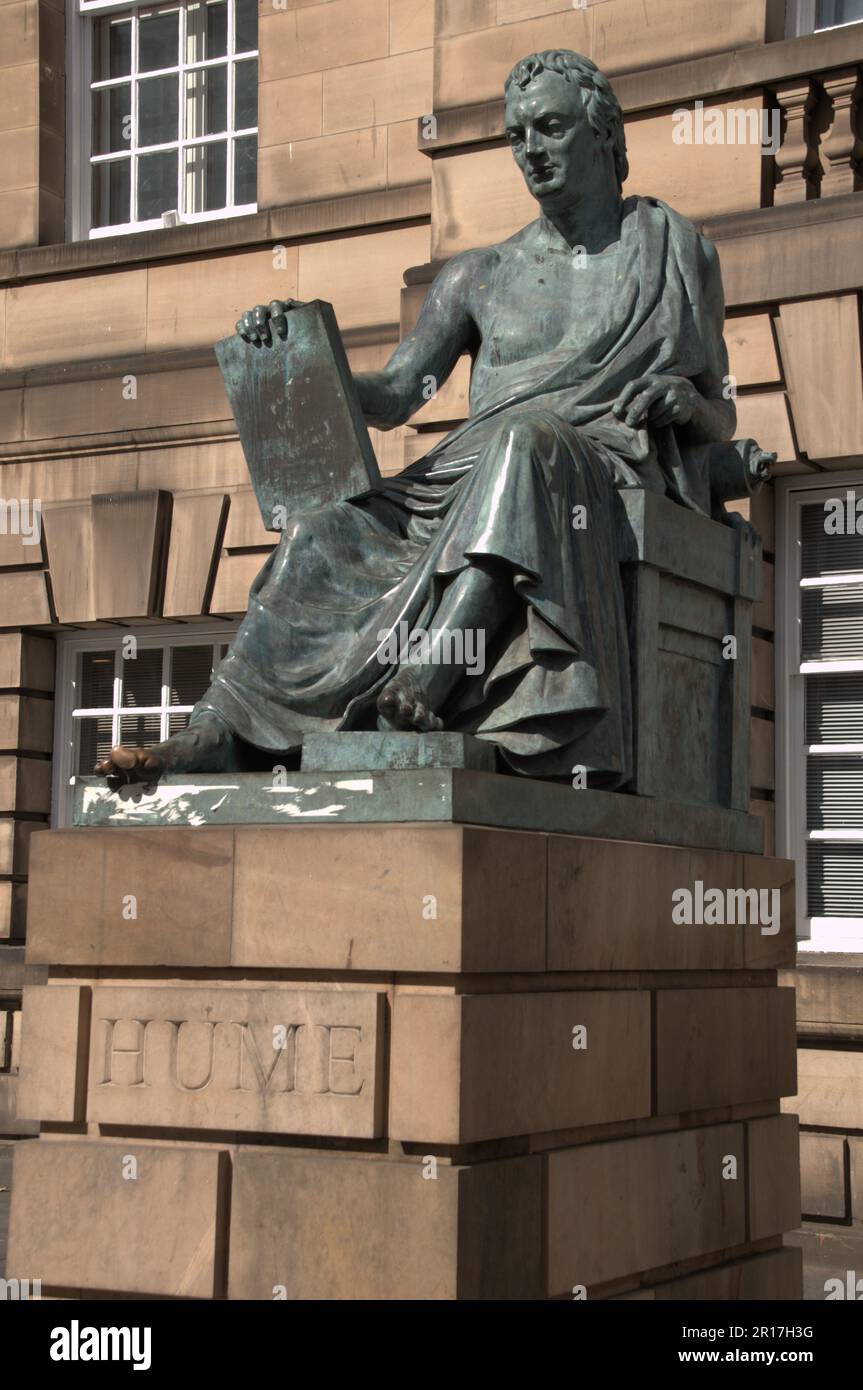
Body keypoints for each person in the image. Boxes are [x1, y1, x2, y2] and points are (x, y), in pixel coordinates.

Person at [97, 49, 741, 787]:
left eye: (550, 128)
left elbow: (719, 412)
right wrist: (301, 355)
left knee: (525, 445)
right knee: (321, 530)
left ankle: (426, 685)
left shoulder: (674, 252)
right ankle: (222, 728)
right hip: (464, 478)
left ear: (603, 133)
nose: (530, 150)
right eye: (516, 135)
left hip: (584, 470)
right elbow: (399, 392)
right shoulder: (478, 275)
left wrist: (689, 405)